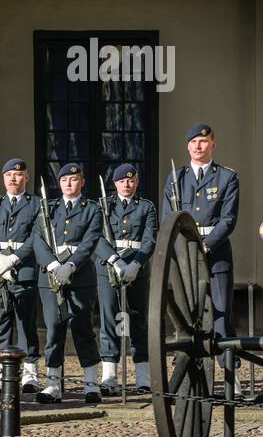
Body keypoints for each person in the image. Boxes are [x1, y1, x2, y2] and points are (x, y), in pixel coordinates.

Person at [162, 122, 240, 385]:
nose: (198, 146)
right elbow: (168, 218)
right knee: (186, 319)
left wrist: (206, 244)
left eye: (203, 141)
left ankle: (231, 375)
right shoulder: (176, 179)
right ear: (187, 146)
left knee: (221, 318)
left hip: (215, 254)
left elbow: (228, 220)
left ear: (213, 144)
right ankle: (185, 372)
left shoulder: (227, 177)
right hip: (185, 256)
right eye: (194, 142)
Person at [32, 162, 104, 405]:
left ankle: (91, 384)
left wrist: (70, 266)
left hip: (80, 277)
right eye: (64, 180)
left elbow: (91, 240)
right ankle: (53, 384)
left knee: (83, 328)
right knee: (53, 330)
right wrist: (53, 266)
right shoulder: (48, 209)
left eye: (74, 180)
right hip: (51, 278)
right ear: (59, 183)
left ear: (82, 182)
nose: (69, 184)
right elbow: (38, 239)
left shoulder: (92, 209)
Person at [0, 158, 41, 394]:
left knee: (26, 325)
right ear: (3, 178)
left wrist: (13, 259)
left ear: (26, 177)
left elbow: (37, 237)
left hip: (24, 273)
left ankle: (30, 375)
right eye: (9, 175)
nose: (13, 178)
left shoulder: (37, 205)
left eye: (18, 174)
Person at [95, 163, 158, 395]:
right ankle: (109, 376)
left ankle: (143, 377)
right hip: (108, 268)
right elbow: (96, 236)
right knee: (109, 319)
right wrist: (114, 260)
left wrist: (136, 263)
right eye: (122, 181)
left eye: (131, 180)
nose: (127, 184)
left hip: (137, 269)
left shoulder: (146, 207)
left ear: (137, 182)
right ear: (115, 184)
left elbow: (150, 239)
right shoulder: (103, 206)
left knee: (139, 321)